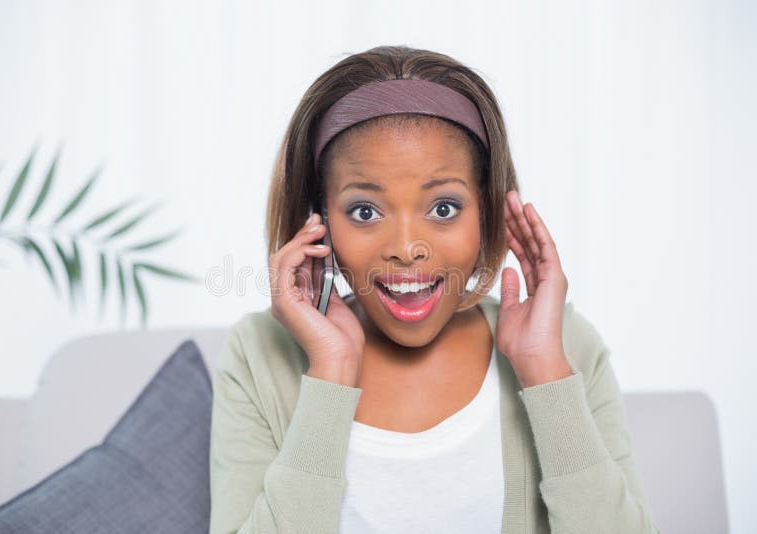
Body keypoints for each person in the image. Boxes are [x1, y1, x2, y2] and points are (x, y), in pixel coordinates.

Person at [209, 45, 660, 533]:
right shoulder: (256, 356)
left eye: (443, 207)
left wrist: (545, 374)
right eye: (365, 211)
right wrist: (331, 372)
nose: (407, 248)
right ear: (319, 225)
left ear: (486, 211)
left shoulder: (563, 346)